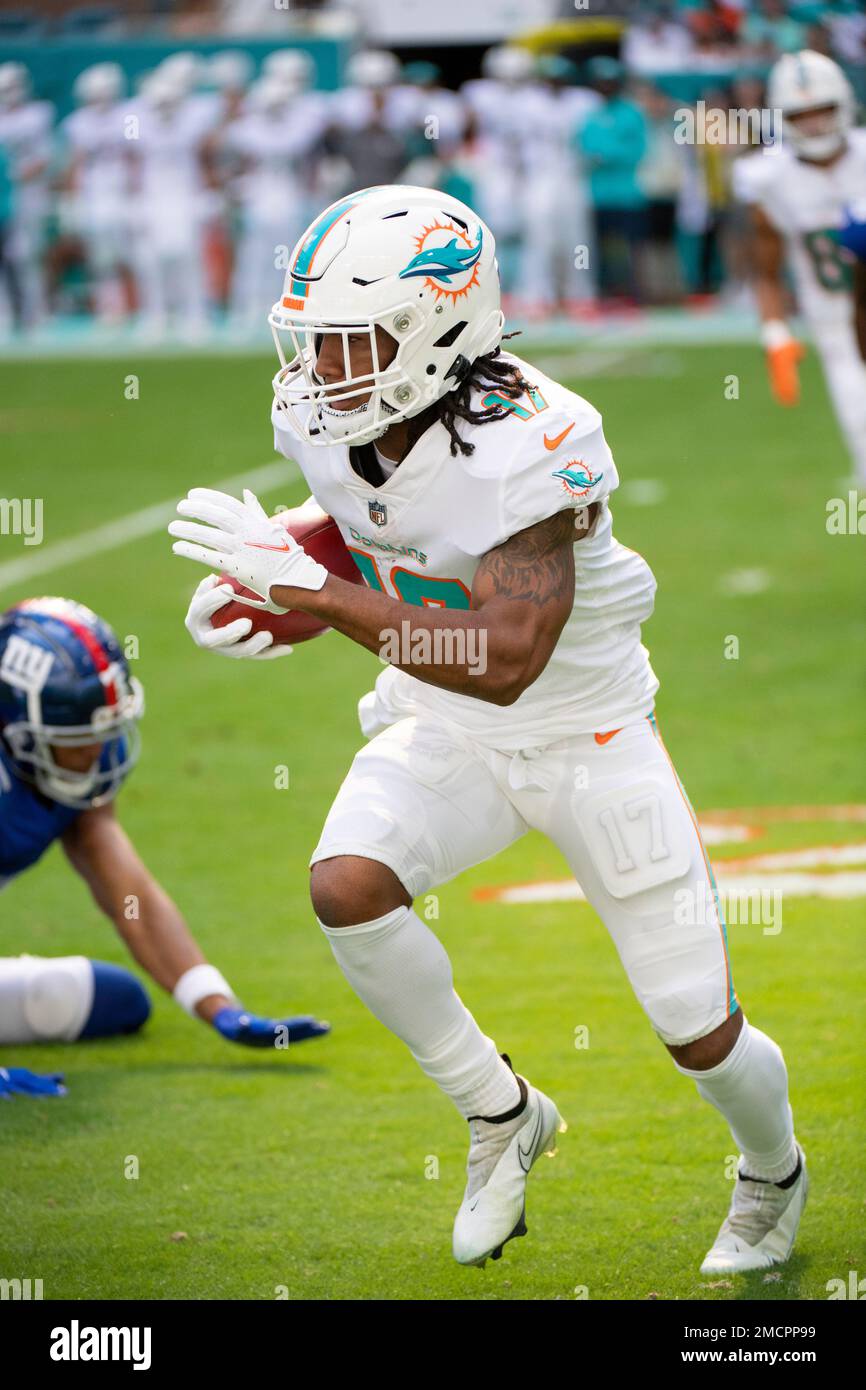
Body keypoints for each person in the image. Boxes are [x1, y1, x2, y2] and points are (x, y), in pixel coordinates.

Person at [169, 184, 807, 1275]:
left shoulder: (532, 445)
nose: (320, 369)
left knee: (694, 1027)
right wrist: (277, 565)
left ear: (434, 335)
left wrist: (314, 598)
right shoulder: (332, 412)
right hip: (440, 722)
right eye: (314, 342)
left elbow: (503, 658)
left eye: (349, 341)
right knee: (345, 885)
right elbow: (373, 514)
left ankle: (772, 1171)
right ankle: (500, 1111)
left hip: (582, 732)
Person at [0, 596, 329, 1061]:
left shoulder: (73, 765)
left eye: (102, 734)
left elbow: (124, 887)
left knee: (117, 1001)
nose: (96, 754)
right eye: (76, 741)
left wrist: (219, 1006)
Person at [734, 50, 866, 484]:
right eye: (801, 114)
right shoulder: (767, 178)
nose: (813, 123)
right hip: (836, 326)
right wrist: (775, 333)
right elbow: (766, 268)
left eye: (823, 110)